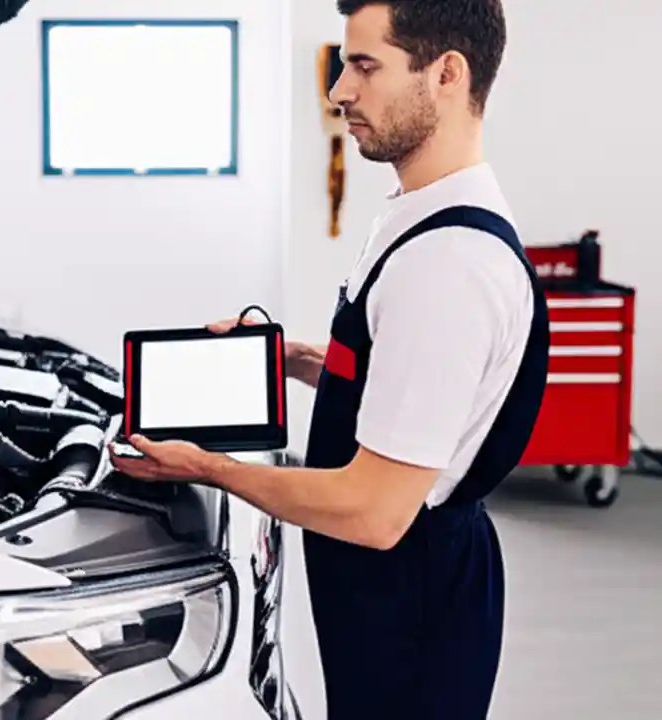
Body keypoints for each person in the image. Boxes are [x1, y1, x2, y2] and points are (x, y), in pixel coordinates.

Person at [109, 0, 549, 717]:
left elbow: (374, 512)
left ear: (446, 73)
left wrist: (207, 467)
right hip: (393, 593)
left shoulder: (447, 264)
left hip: (413, 608)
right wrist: (291, 359)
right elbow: (401, 378)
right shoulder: (420, 216)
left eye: (364, 65)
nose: (340, 89)